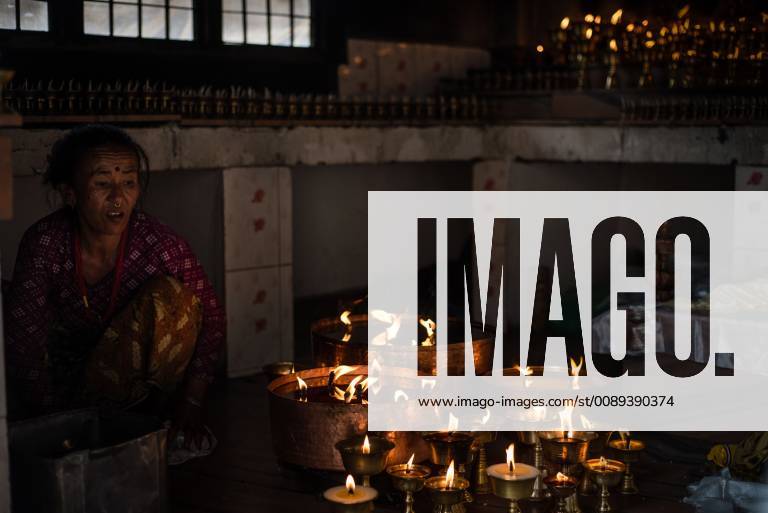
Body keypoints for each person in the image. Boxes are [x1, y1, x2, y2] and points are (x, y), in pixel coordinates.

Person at [2, 124, 225, 447]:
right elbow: (25, 339)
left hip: (130, 386)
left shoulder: (160, 245)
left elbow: (213, 318)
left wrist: (191, 403)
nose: (118, 197)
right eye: (103, 183)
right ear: (70, 194)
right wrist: (52, 422)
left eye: (129, 183)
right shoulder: (45, 243)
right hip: (62, 383)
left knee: (177, 300)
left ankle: (142, 420)